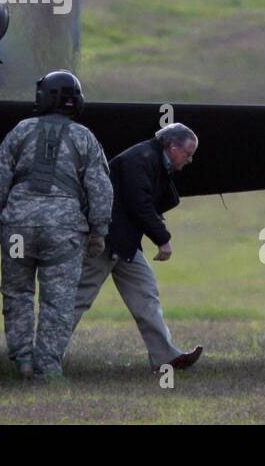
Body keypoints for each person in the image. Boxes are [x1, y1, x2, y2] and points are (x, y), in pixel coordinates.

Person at [0, 70, 113, 381]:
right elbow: (100, 189)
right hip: (64, 232)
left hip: (17, 226)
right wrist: (99, 231)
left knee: (17, 292)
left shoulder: (20, 131)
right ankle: (49, 368)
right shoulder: (84, 138)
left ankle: (23, 361)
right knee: (58, 301)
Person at [70, 123, 203, 372]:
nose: (190, 159)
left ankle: (165, 356)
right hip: (106, 241)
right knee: (79, 297)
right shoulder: (140, 160)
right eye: (188, 153)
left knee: (146, 294)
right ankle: (46, 355)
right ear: (172, 146)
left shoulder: (154, 161)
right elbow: (139, 203)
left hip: (126, 244)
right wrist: (162, 238)